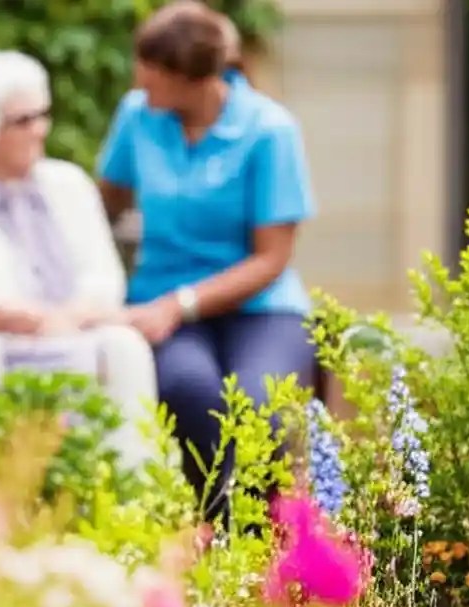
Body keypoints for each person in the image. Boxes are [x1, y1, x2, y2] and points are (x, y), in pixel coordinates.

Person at [96, 2, 318, 521]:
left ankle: (259, 544)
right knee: (189, 390)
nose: (139, 78)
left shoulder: (269, 130)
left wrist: (181, 304)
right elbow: (106, 201)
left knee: (259, 403)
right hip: (160, 296)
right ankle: (215, 535)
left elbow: (272, 259)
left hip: (262, 305)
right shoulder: (139, 115)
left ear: (195, 80)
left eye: (153, 70)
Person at [0, 50, 157, 468]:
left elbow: (104, 276)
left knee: (124, 346)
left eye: (42, 114)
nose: (40, 129)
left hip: (72, 329)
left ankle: (131, 486)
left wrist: (72, 315)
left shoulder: (69, 183)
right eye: (23, 120)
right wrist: (21, 317)